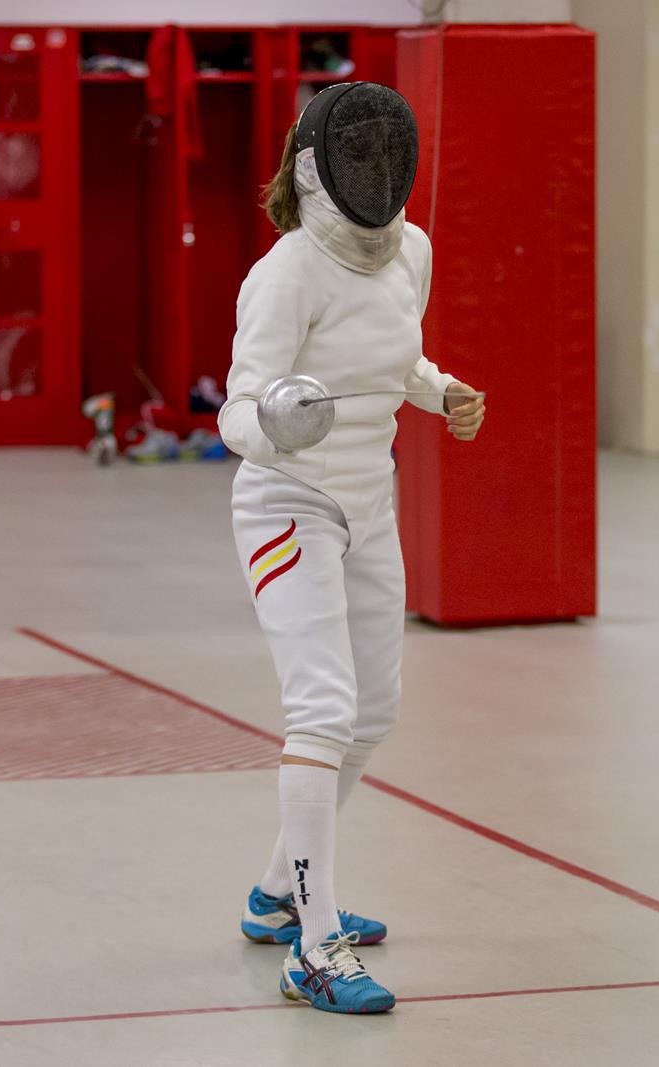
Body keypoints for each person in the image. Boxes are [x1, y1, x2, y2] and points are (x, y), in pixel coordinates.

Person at [219, 82, 485, 1015]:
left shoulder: (409, 248)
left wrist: (441, 390)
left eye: (388, 152)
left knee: (373, 713)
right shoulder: (285, 272)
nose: (376, 170)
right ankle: (313, 948)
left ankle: (273, 892)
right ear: (317, 166)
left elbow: (393, 356)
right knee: (324, 709)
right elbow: (238, 408)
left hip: (371, 499)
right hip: (289, 502)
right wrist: (279, 427)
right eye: (358, 154)